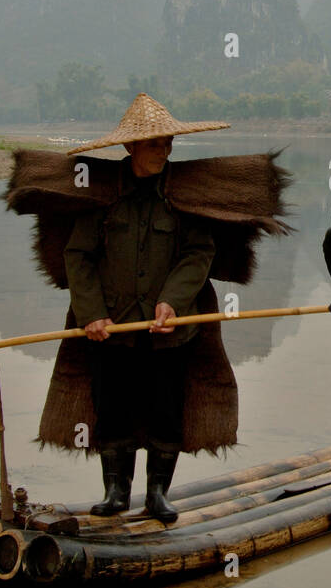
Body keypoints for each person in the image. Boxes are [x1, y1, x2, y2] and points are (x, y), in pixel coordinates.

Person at [61, 97, 229, 522]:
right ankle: (116, 492)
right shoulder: (102, 197)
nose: (164, 152)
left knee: (166, 409)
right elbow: (78, 255)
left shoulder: (182, 194)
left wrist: (172, 300)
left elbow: (198, 252)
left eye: (168, 143)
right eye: (155, 144)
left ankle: (158, 494)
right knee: (111, 408)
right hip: (111, 328)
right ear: (132, 148)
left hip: (169, 329)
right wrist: (91, 313)